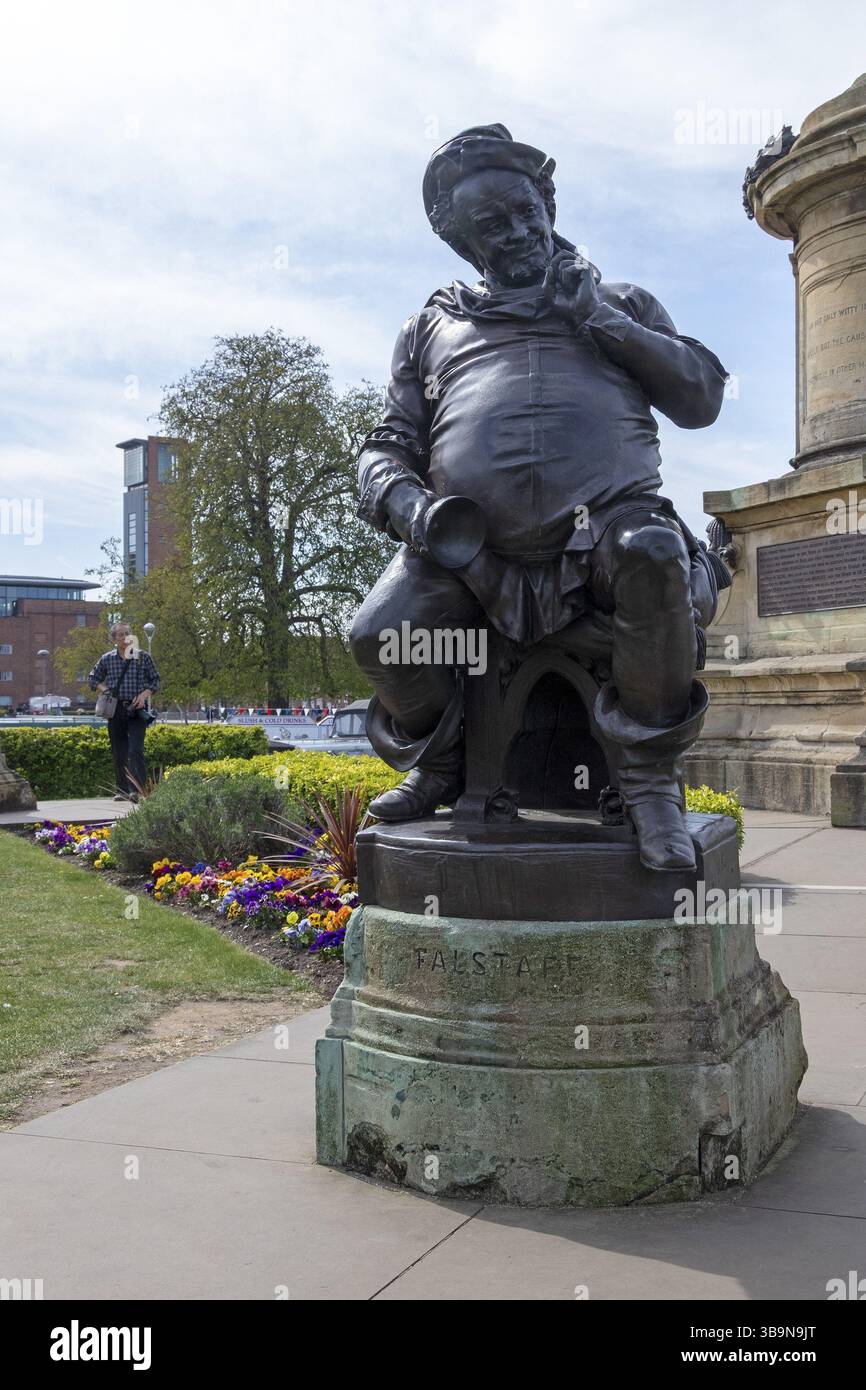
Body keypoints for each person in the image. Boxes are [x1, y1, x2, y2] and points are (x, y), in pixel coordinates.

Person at [350, 124, 728, 871]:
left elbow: (700, 397)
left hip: (609, 536)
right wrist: (411, 508)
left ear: (547, 202)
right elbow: (387, 445)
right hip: (470, 549)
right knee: (378, 636)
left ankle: (650, 784)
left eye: (528, 209)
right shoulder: (432, 327)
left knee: (653, 555)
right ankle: (446, 758)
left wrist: (599, 318)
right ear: (463, 239)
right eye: (494, 223)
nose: (521, 230)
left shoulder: (622, 302)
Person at [89, 622, 160, 800]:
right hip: (116, 709)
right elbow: (93, 678)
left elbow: (156, 681)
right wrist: (105, 690)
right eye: (120, 634)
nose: (125, 637)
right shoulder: (107, 659)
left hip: (137, 710)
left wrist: (144, 694)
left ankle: (137, 789)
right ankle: (121, 790)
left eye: (127, 633)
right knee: (118, 751)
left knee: (136, 750)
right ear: (114, 639)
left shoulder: (143, 657)